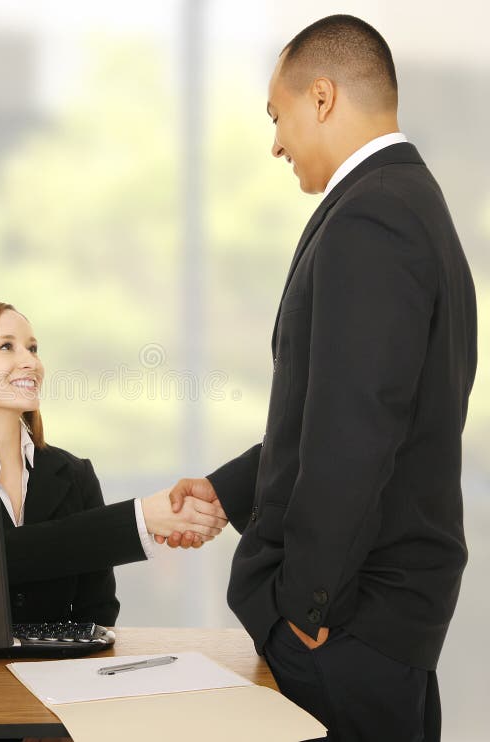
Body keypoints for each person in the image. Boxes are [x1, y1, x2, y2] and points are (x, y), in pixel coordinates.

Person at [162, 14, 477, 742]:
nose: (275, 141)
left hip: (350, 629)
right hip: (375, 628)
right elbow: (350, 413)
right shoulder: (412, 205)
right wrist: (231, 488)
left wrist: (307, 606)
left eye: (278, 115)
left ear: (324, 98)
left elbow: (356, 430)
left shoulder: (372, 219)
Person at [0, 300, 226, 627]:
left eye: (33, 349)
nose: (31, 362)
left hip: (56, 674)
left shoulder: (75, 475)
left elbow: (98, 613)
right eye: (7, 346)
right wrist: (141, 517)